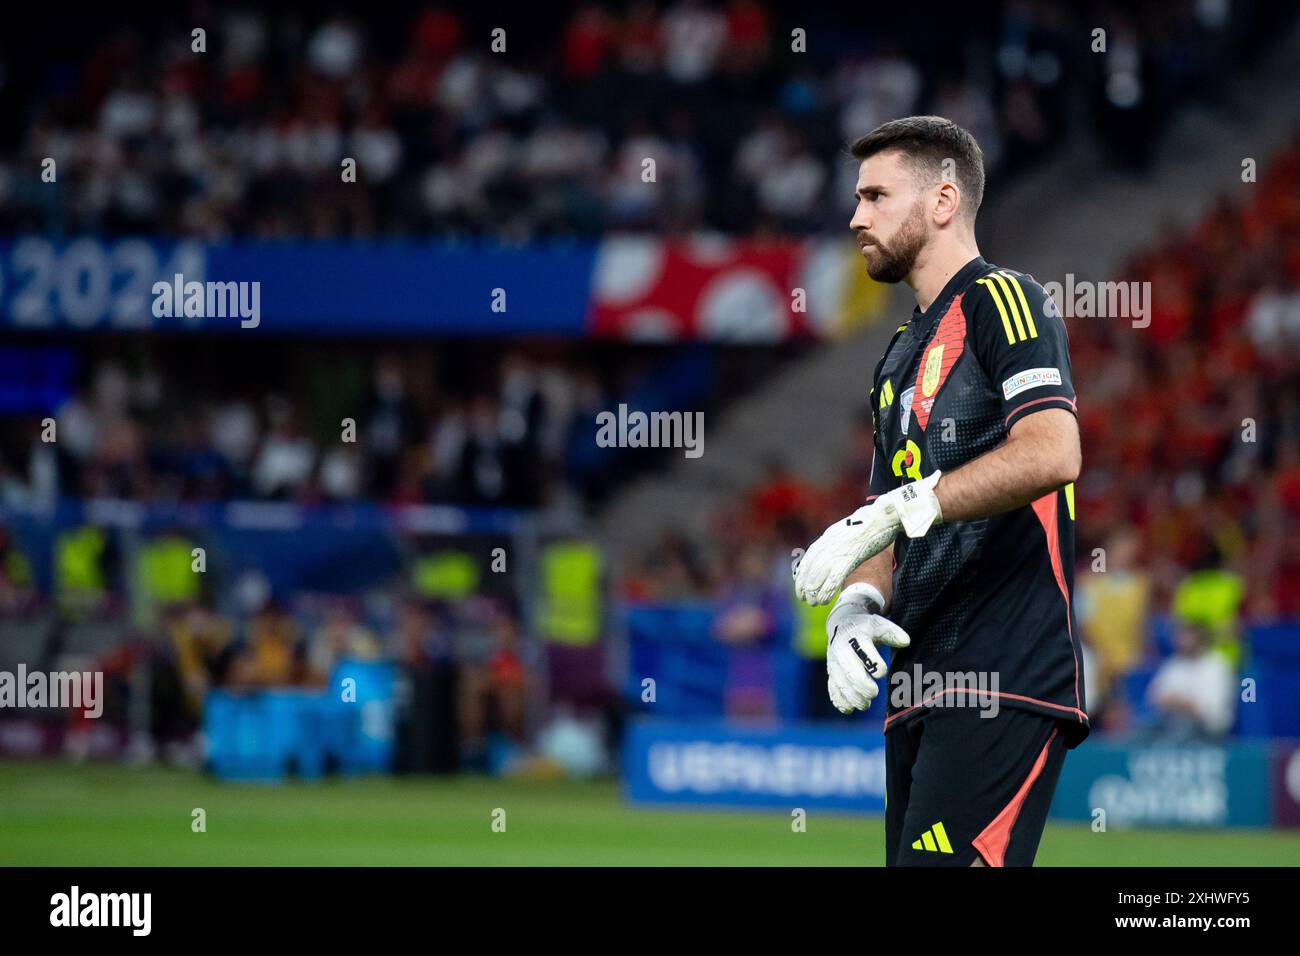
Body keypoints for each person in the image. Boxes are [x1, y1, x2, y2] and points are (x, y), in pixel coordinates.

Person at [793, 116, 1086, 866]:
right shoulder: (896, 359)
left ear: (944, 200)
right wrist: (856, 608)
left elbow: (1054, 452)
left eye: (876, 196)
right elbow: (882, 525)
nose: (857, 216)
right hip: (918, 685)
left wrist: (910, 501)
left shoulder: (1004, 301)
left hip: (1004, 678)